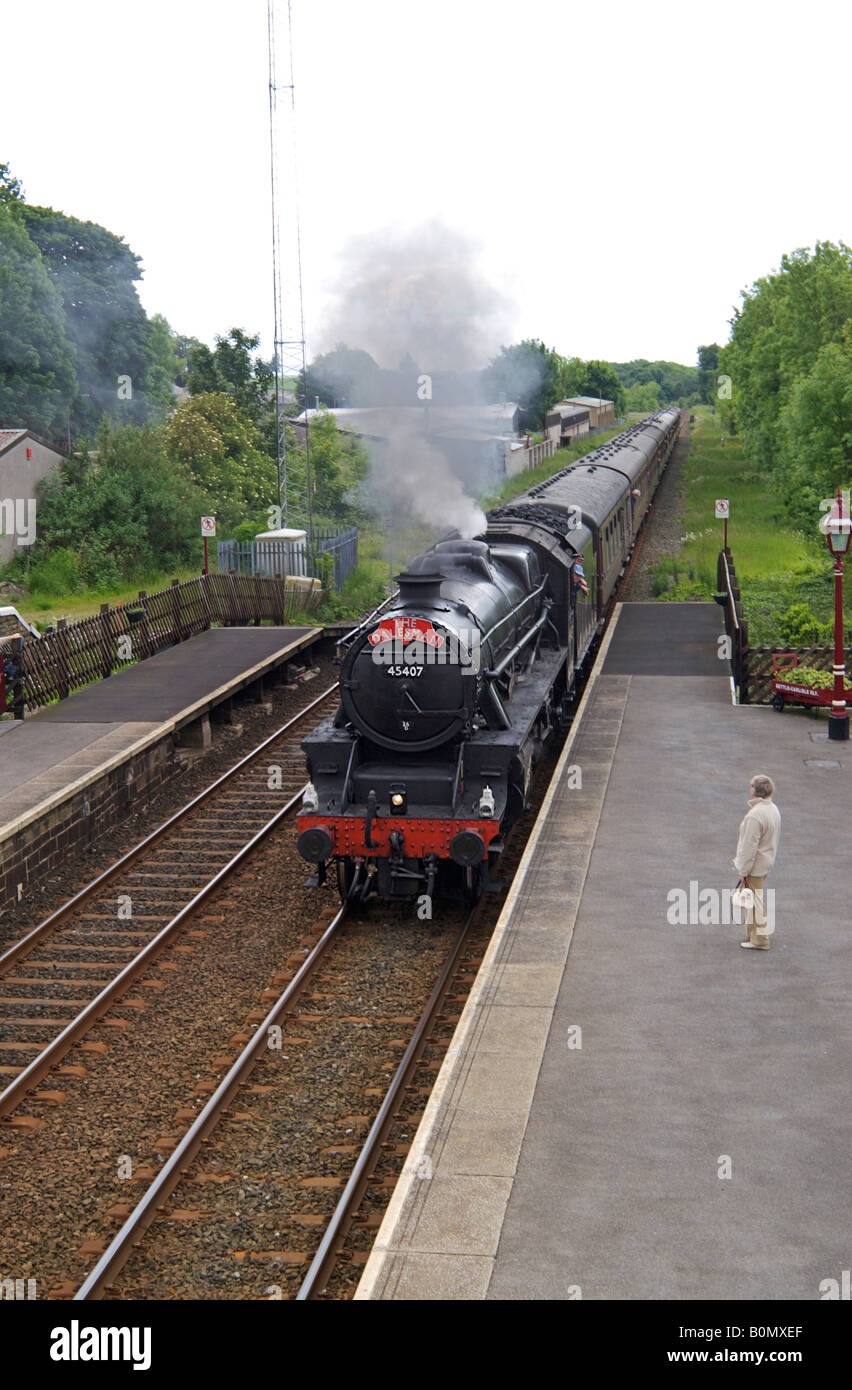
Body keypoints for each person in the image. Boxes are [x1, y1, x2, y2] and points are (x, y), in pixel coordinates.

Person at [733, 774, 781, 949]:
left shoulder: (755, 816)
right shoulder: (773, 809)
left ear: (753, 792)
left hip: (755, 865)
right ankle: (753, 933)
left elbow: (748, 846)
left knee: (754, 902)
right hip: (766, 861)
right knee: (755, 898)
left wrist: (743, 870)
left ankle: (760, 939)